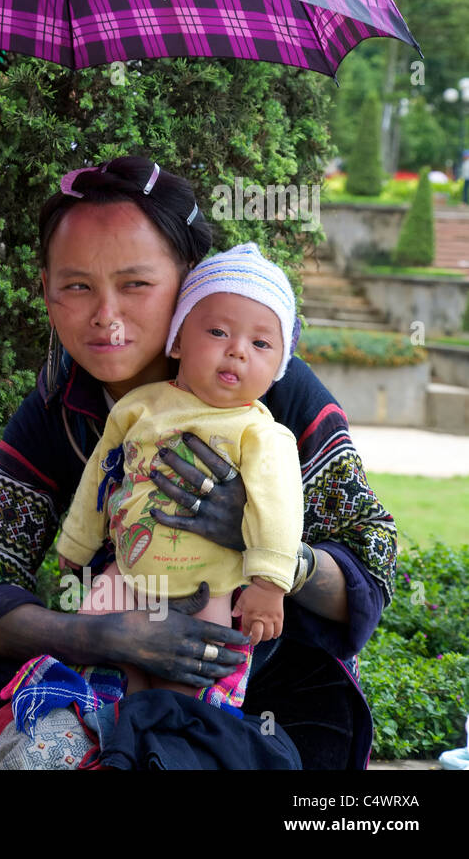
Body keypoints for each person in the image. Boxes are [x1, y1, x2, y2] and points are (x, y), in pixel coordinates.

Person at [0, 157, 396, 770]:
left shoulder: (275, 394)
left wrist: (269, 548)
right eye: (76, 285)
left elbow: (369, 573)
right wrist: (98, 634)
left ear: (189, 281)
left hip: (276, 695)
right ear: (46, 291)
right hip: (113, 681)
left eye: (135, 284)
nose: (106, 315)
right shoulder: (58, 408)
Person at [54, 241, 305, 711]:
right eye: (217, 331)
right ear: (177, 340)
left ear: (278, 369)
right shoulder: (141, 406)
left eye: (261, 343)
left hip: (205, 589)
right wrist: (75, 545)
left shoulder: (261, 432)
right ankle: (100, 731)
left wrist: (269, 585)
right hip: (125, 574)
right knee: (83, 666)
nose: (237, 351)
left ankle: (168, 737)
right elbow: (99, 479)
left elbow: (280, 510)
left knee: (188, 696)